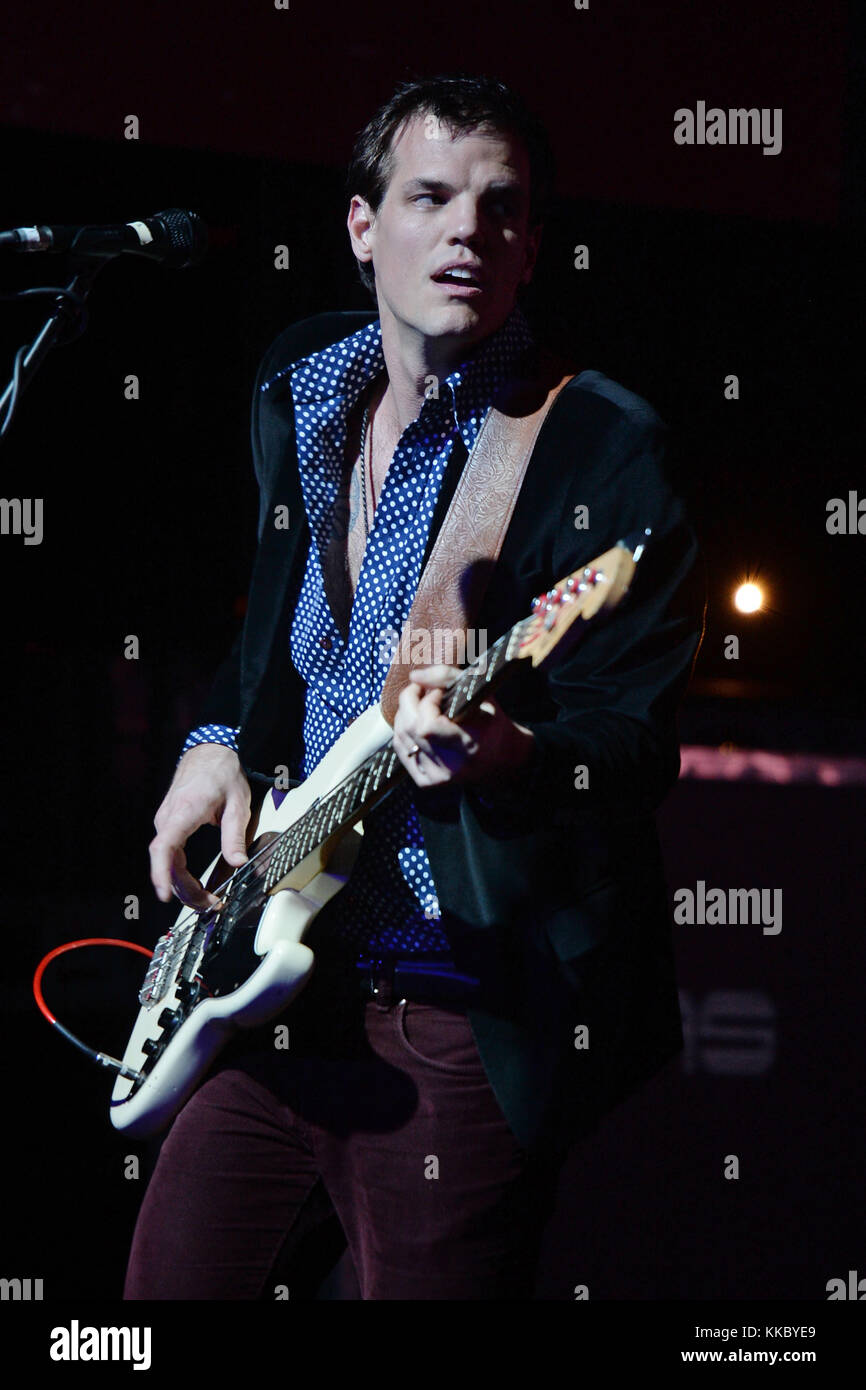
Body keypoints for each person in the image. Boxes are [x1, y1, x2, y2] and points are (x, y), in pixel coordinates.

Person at [125, 72, 703, 1301]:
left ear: (533, 247)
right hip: (274, 980)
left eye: (501, 210)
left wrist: (507, 756)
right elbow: (276, 642)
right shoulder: (302, 387)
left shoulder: (601, 444)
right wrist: (219, 740)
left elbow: (632, 745)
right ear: (360, 225)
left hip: (450, 1005)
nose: (467, 232)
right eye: (431, 197)